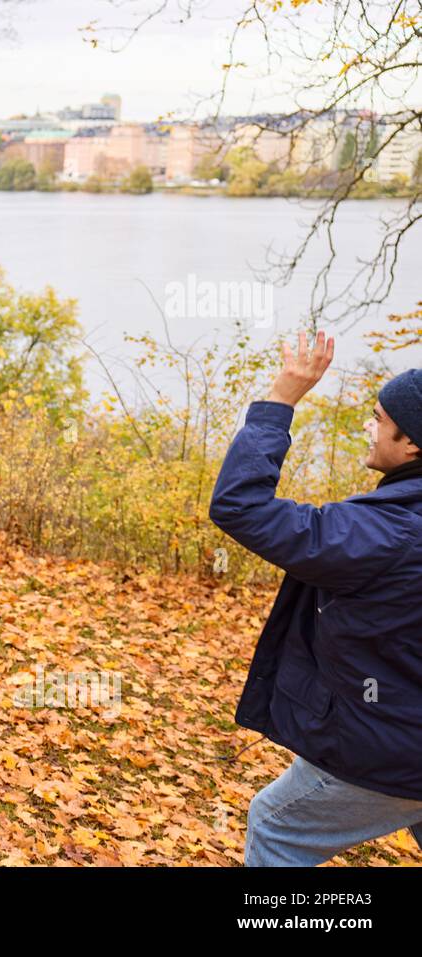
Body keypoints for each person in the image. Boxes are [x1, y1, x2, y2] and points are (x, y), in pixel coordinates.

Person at [210, 330, 422, 865]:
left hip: (393, 748)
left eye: (378, 419)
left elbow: (241, 506)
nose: (368, 427)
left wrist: (280, 399)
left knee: (276, 826)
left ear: (412, 444)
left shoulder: (387, 532)